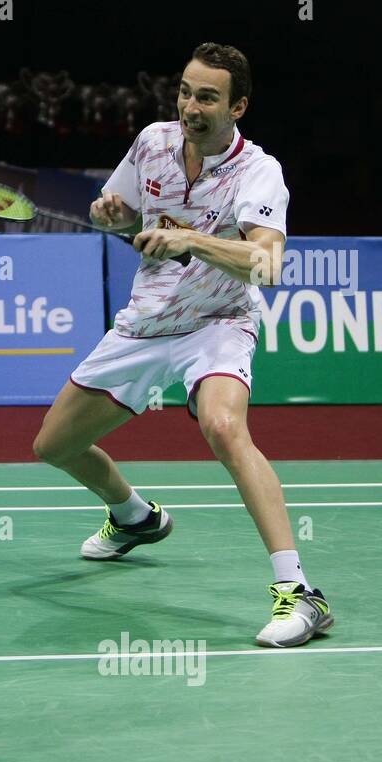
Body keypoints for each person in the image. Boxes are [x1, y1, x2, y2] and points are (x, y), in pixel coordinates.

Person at [32, 42, 334, 648]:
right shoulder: (153, 143)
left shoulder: (258, 172)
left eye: (208, 97)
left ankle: (300, 595)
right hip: (147, 321)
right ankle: (135, 516)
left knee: (224, 427)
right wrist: (112, 213)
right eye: (185, 91)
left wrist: (192, 241)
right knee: (54, 446)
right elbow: (118, 218)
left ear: (238, 106)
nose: (191, 106)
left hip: (219, 320)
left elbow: (267, 263)